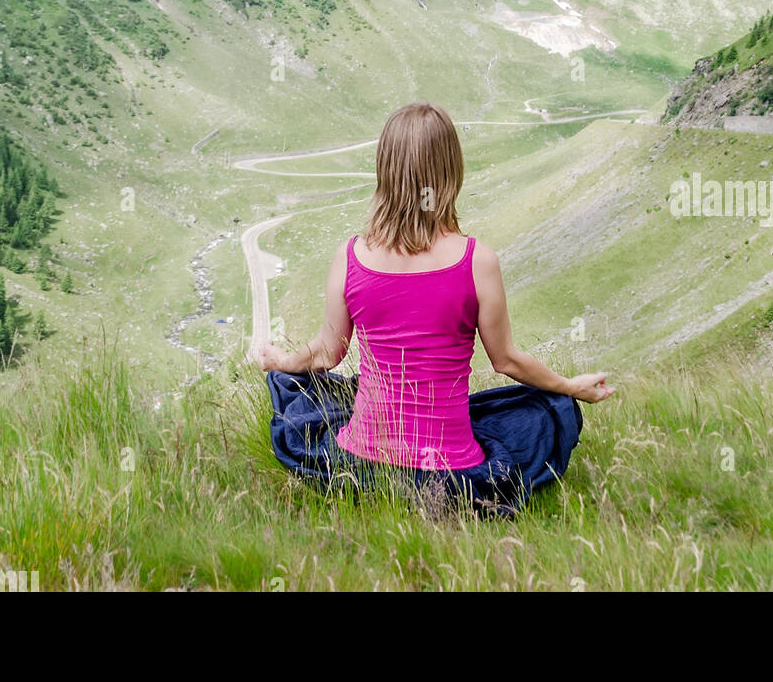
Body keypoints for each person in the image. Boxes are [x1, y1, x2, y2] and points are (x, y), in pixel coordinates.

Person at [257, 101, 615, 511]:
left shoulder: (350, 256)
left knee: (302, 390)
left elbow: (325, 354)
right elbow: (507, 361)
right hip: (452, 465)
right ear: (451, 172)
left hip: (363, 456)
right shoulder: (477, 260)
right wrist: (570, 387)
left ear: (386, 172)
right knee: (548, 409)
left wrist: (280, 360)